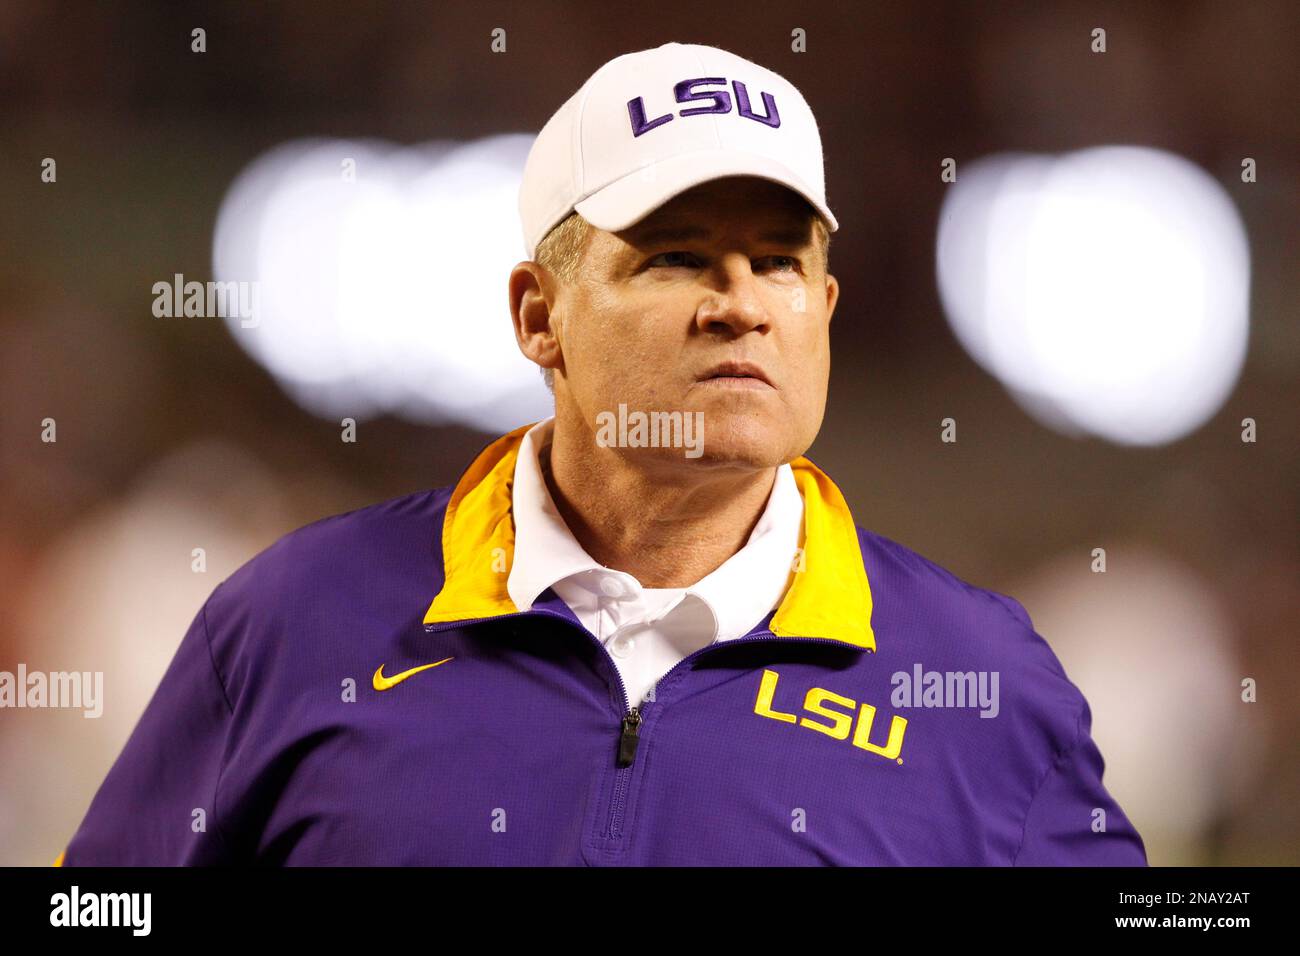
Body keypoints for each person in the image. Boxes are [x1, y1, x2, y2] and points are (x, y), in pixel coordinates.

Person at [57, 41, 1145, 866]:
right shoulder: (296, 620)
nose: (738, 306)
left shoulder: (982, 683)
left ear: (823, 306)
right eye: (675, 258)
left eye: (775, 261)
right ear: (540, 315)